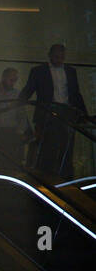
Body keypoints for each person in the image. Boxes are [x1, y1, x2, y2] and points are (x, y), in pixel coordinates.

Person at [20, 43, 88, 179]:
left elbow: (75, 93)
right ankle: (46, 178)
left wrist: (83, 114)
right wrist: (18, 101)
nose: (59, 58)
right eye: (57, 56)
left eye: (62, 56)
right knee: (47, 149)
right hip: (47, 114)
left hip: (66, 113)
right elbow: (29, 89)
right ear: (50, 55)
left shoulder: (70, 71)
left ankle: (67, 179)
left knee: (66, 148)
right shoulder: (39, 71)